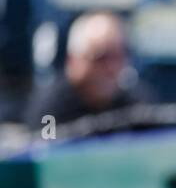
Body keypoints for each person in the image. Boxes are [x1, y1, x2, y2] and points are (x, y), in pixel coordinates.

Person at [25, 12, 153, 136]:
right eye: (101, 57)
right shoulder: (50, 110)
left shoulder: (135, 102)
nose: (111, 67)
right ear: (73, 60)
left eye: (118, 56)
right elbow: (45, 149)